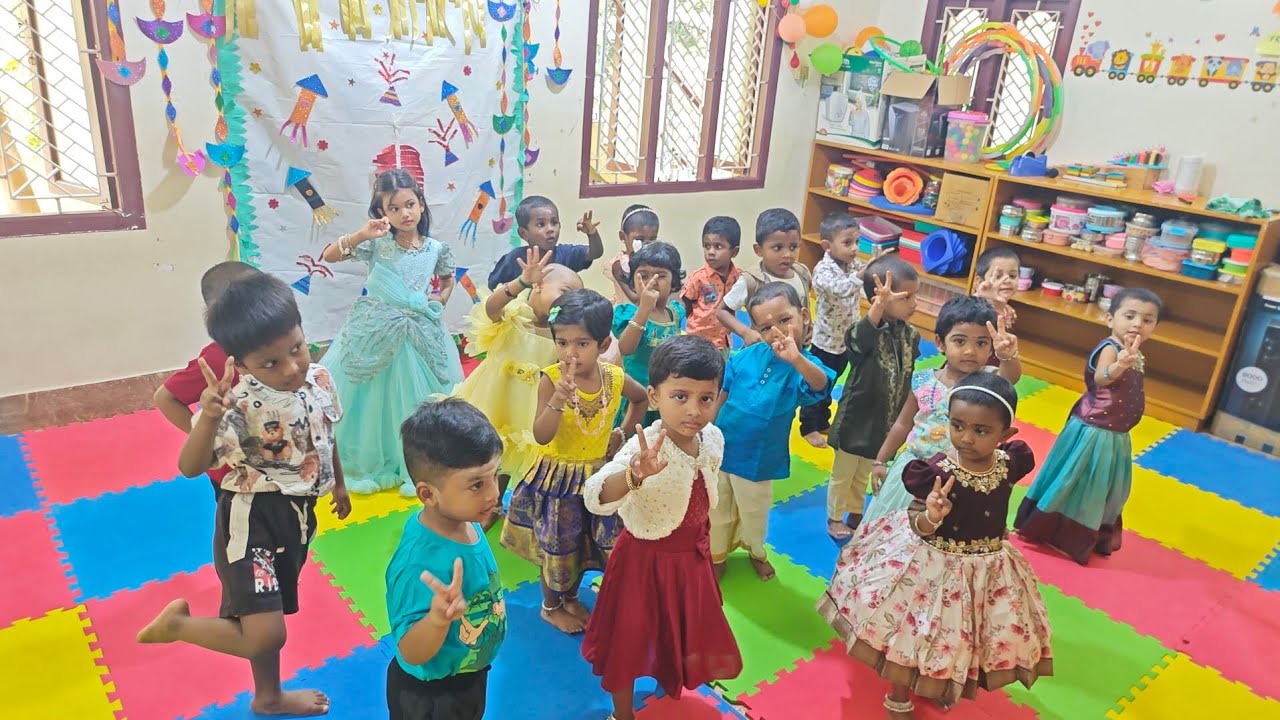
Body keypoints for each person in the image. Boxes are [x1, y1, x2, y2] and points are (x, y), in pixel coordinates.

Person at [136, 273, 351, 718]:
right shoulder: (237, 404)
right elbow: (190, 466)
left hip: (298, 516)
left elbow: (325, 434)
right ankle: (179, 625)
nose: (290, 368)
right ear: (243, 365)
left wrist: (340, 483)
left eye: (296, 348)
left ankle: (268, 696)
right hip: (250, 521)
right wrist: (208, 418)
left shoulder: (320, 378)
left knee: (265, 615)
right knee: (266, 632)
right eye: (270, 363)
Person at [819, 372, 1053, 719]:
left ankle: (942, 681)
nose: (966, 438)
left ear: (1006, 435)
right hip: (934, 569)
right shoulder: (936, 472)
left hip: (985, 572)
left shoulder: (1010, 462)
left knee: (960, 636)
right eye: (958, 426)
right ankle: (899, 693)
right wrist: (931, 516)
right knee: (915, 634)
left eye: (981, 431)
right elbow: (918, 523)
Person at [582, 335, 743, 720]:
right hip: (643, 564)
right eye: (680, 396)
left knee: (678, 631)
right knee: (627, 640)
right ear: (654, 397)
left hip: (692, 561)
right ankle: (622, 714)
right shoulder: (645, 448)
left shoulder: (713, 438)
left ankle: (667, 679)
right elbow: (594, 495)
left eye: (706, 398)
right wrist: (633, 476)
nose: (694, 410)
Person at [502, 290, 649, 634]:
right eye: (562, 342)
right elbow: (541, 435)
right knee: (558, 547)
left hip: (598, 478)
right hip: (558, 482)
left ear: (603, 343)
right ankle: (551, 606)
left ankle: (570, 597)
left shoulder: (613, 377)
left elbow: (641, 398)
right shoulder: (551, 379)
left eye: (582, 343)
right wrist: (556, 400)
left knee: (587, 543)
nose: (570, 353)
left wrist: (621, 433)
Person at [320, 169, 464, 496]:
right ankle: (372, 460)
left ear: (421, 204)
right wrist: (362, 234)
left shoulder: (436, 248)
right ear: (382, 212)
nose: (404, 214)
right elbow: (329, 255)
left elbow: (447, 278)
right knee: (372, 399)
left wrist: (440, 299)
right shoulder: (377, 243)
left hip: (419, 330)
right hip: (376, 330)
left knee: (417, 400)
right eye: (394, 208)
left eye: (410, 205)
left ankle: (418, 463)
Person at [1015, 288, 1162, 565]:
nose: (1137, 324)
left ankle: (1090, 532)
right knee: (1083, 482)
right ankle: (1061, 534)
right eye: (1129, 316)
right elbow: (1102, 378)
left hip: (1116, 433)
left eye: (1147, 320)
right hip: (1095, 430)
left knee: (1109, 489)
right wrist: (1118, 366)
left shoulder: (1135, 353)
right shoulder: (1111, 348)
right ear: (1110, 319)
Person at [385, 399, 507, 720]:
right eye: (477, 484)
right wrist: (437, 620)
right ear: (428, 494)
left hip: (468, 675)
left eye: (495, 475)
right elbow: (410, 652)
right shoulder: (417, 565)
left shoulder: (465, 518)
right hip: (432, 697)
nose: (494, 493)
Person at [858, 296, 1022, 531]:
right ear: (940, 342)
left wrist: (1007, 356)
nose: (970, 351)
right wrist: (880, 460)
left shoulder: (988, 380)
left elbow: (1010, 377)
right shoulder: (923, 381)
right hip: (916, 468)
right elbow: (902, 425)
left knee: (949, 530)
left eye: (981, 343)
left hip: (960, 474)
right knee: (896, 529)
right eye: (960, 341)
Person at [454, 247, 584, 529]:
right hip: (496, 397)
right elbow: (491, 308)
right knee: (486, 453)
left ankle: (510, 505)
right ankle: (479, 501)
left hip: (529, 407)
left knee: (519, 455)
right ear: (538, 286)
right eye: (564, 292)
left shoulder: (562, 335)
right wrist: (520, 282)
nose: (568, 301)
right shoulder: (515, 313)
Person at [712, 282, 834, 581]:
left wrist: (796, 359)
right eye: (766, 327)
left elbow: (820, 386)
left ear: (803, 315)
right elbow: (721, 395)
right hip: (721, 449)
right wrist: (706, 434)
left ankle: (756, 551)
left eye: (784, 320)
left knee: (754, 512)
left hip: (759, 458)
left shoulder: (806, 366)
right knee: (717, 509)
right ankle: (717, 554)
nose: (776, 331)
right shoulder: (744, 357)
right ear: (756, 329)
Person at [824, 256, 921, 539]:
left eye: (915, 296)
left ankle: (856, 511)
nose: (914, 304)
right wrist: (878, 306)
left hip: (885, 419)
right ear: (880, 299)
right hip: (857, 417)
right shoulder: (864, 332)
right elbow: (855, 341)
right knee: (844, 473)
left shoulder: (910, 334)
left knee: (865, 471)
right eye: (906, 298)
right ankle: (834, 517)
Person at [154, 261, 262, 493]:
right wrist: (206, 436)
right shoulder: (216, 358)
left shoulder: (281, 346)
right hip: (233, 476)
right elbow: (165, 398)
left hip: (276, 467)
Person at [799, 212, 869, 448]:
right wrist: (860, 276)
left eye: (857, 241)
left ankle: (822, 421)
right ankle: (808, 426)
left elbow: (862, 285)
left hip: (845, 341)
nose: (854, 248)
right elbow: (841, 289)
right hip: (825, 343)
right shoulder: (823, 270)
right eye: (847, 242)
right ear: (827, 246)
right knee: (816, 385)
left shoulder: (853, 265)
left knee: (832, 383)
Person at [613, 242, 686, 427]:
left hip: (666, 397)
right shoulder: (628, 313)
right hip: (637, 398)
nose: (652, 281)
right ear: (633, 282)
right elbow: (626, 349)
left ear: (674, 282)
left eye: (661, 275)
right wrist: (644, 308)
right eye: (643, 275)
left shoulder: (675, 312)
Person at [716, 208, 811, 347]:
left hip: (798, 348)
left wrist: (808, 328)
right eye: (778, 248)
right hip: (765, 351)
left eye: (793, 247)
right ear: (758, 250)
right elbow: (721, 311)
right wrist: (745, 333)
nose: (787, 255)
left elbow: (804, 306)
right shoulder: (751, 281)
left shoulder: (802, 273)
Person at [487, 196, 604, 290]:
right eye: (541, 224)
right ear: (524, 233)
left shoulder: (566, 253)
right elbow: (494, 289)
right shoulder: (514, 259)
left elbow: (595, 253)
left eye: (554, 222)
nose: (550, 229)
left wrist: (592, 233)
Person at [680, 216, 742, 355]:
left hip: (723, 340)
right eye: (707, 246)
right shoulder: (698, 277)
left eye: (718, 247)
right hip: (698, 340)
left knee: (721, 366)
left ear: (734, 252)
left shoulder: (738, 277)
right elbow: (687, 302)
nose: (711, 252)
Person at [604, 205, 661, 305]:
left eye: (652, 240)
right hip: (630, 311)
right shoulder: (619, 266)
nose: (646, 245)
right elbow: (636, 300)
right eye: (640, 239)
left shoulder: (656, 260)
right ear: (623, 236)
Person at [973, 246, 1020, 332]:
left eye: (1012, 276)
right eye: (998, 276)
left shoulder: (1008, 311)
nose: (1007, 280)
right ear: (980, 282)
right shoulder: (972, 309)